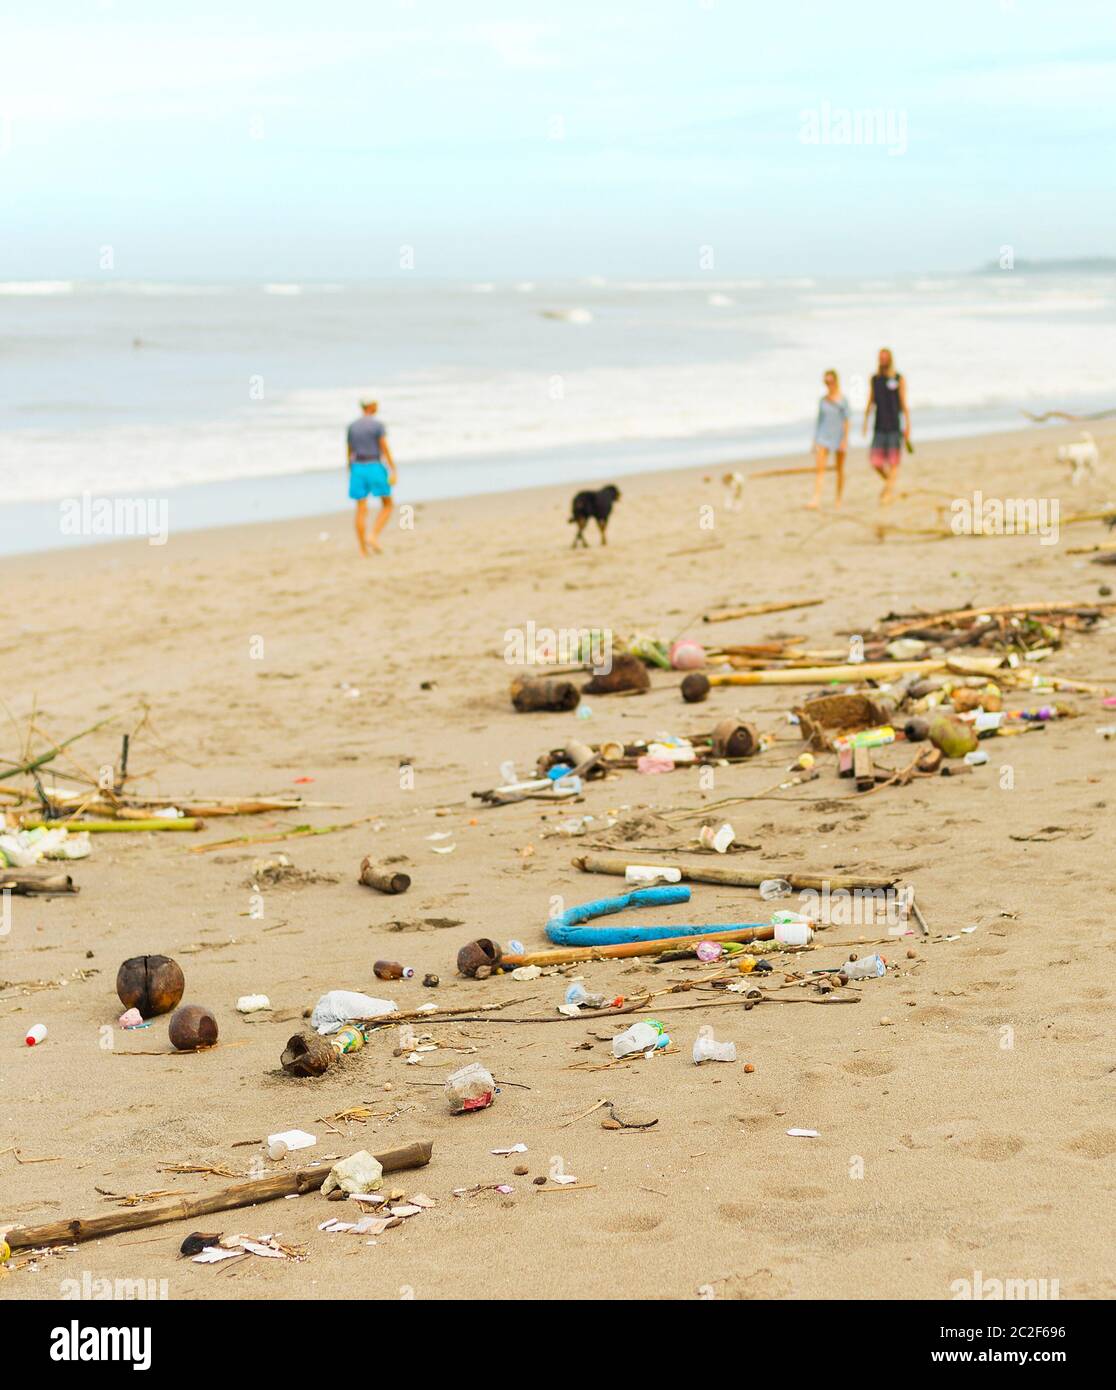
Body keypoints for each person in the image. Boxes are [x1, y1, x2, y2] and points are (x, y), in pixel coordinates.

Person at [346, 399, 396, 554]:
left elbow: (349, 450)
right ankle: (373, 535)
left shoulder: (352, 426)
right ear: (370, 407)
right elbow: (384, 447)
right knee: (387, 504)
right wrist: (393, 469)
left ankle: (362, 550)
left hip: (357, 467)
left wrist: (350, 469)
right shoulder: (377, 425)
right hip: (374, 465)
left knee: (361, 509)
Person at [863, 348, 910, 505]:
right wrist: (865, 421)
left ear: (890, 359)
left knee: (893, 462)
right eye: (880, 358)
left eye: (884, 358)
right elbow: (871, 401)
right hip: (879, 425)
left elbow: (903, 403)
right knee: (875, 462)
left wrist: (908, 425)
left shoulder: (898, 378)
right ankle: (891, 484)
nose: (882, 360)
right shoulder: (875, 379)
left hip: (894, 426)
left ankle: (888, 492)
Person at [807, 369, 849, 508]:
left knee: (840, 470)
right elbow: (819, 421)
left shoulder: (843, 400)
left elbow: (846, 421)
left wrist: (844, 440)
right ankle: (816, 499)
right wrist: (814, 441)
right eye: (826, 382)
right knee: (820, 470)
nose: (828, 384)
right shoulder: (823, 401)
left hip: (838, 437)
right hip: (823, 438)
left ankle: (838, 499)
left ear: (836, 381)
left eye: (830, 381)